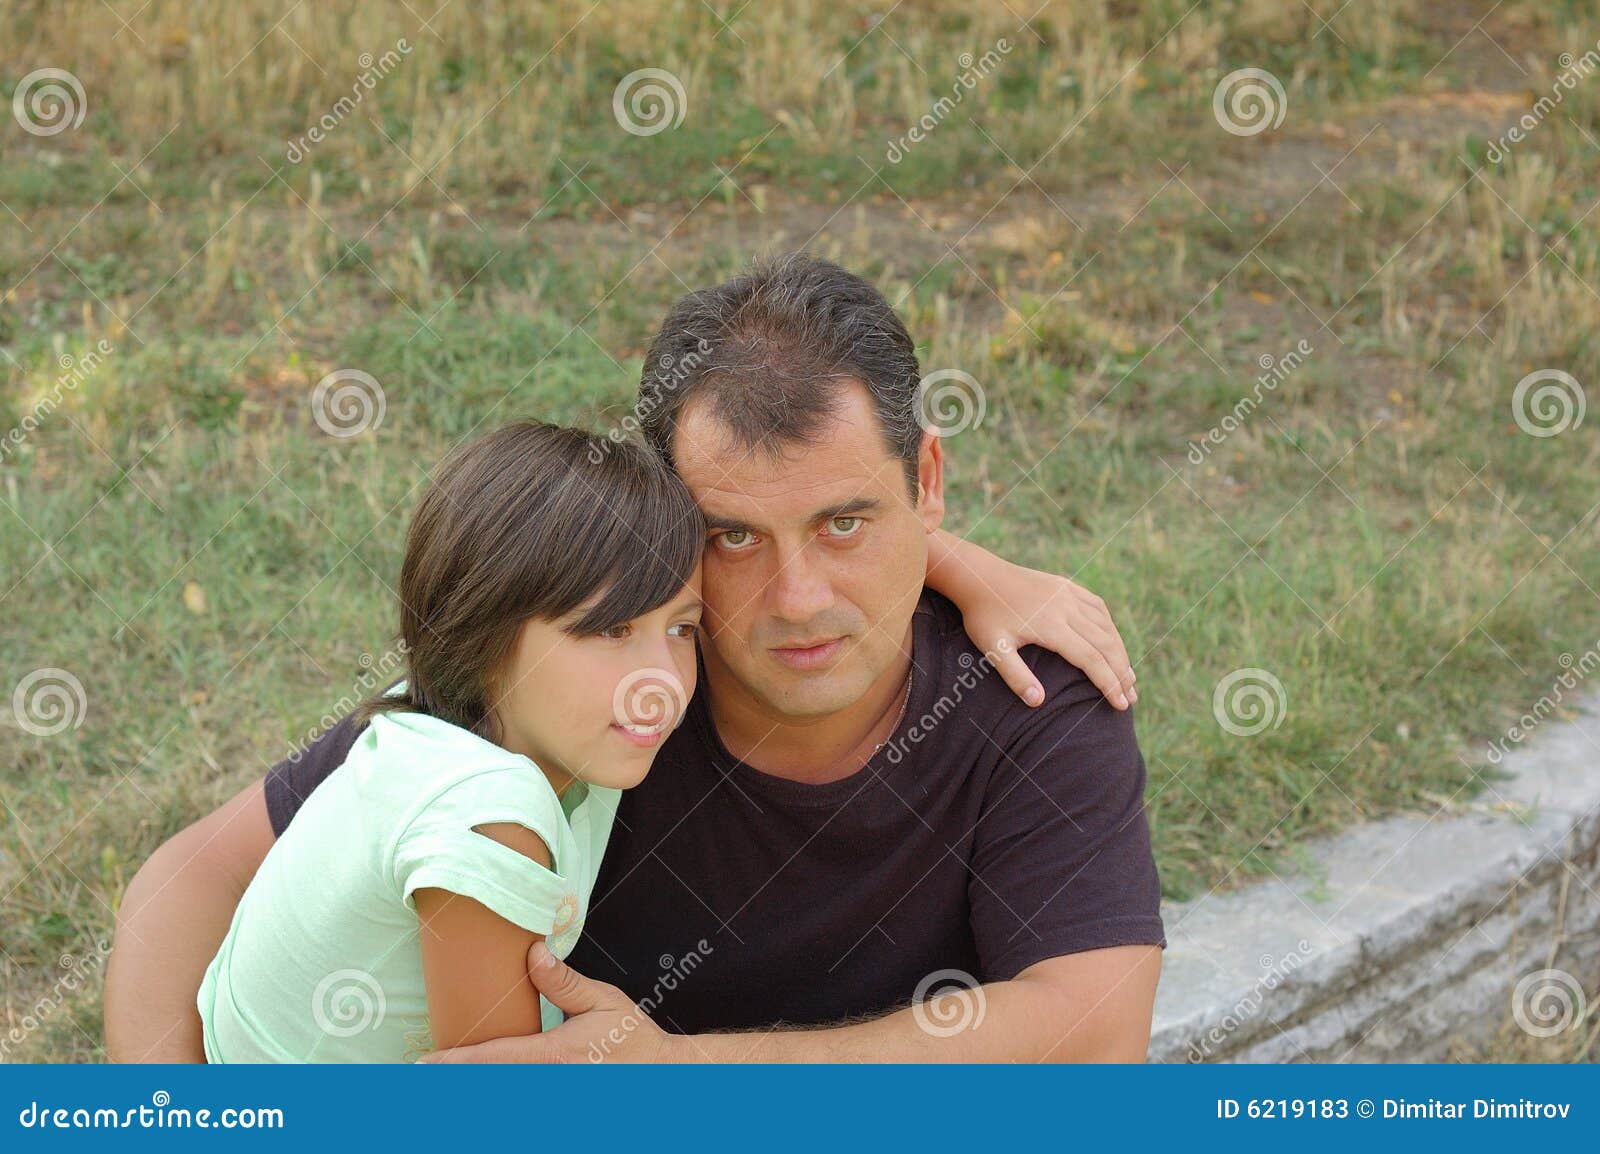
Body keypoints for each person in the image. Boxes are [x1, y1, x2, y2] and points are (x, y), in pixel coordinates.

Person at [107, 252, 1162, 1064]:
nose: (798, 601)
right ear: (656, 525)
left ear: (926, 481)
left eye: (845, 521)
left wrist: (674, 1077)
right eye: (733, 536)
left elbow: (1093, 1031)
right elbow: (185, 882)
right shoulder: (576, 691)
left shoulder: (1031, 690)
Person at [198, 420, 705, 1060]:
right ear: (487, 637)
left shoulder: (433, 736)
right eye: (611, 631)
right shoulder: (491, 815)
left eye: (684, 629)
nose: (661, 681)